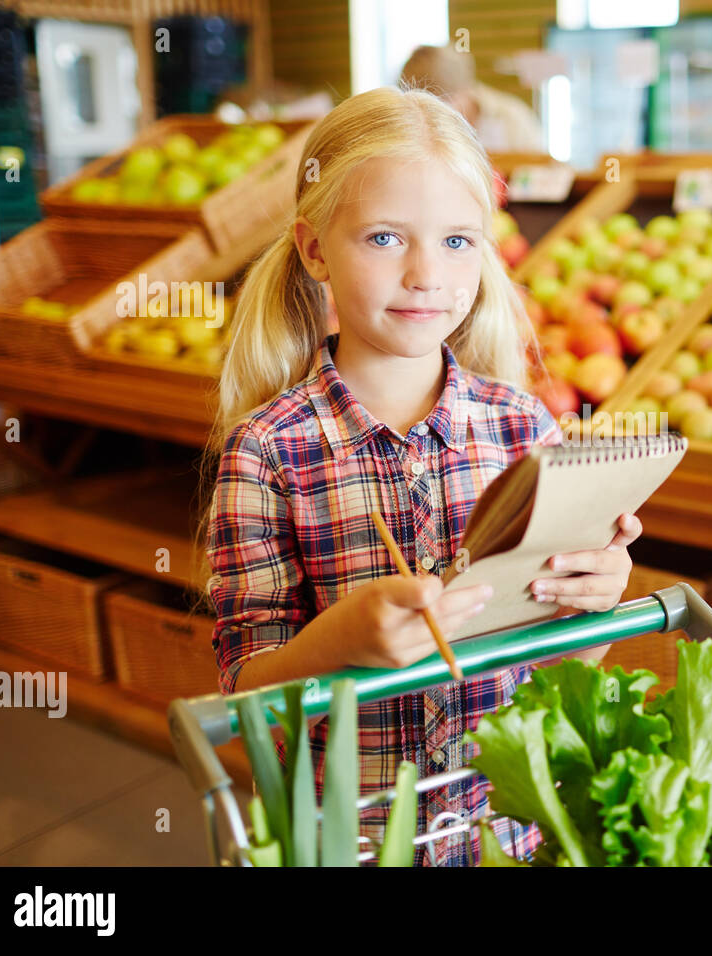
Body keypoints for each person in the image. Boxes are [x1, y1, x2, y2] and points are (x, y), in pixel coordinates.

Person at [201, 87, 640, 866]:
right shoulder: (266, 452)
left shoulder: (524, 431)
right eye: (383, 238)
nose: (425, 274)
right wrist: (336, 644)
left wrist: (595, 605)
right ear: (313, 249)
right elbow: (248, 699)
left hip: (507, 831)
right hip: (352, 842)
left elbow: (559, 672)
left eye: (458, 242)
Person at [400, 44, 546, 153]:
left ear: (465, 88)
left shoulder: (513, 118)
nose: (434, 113)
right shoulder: (412, 125)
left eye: (443, 102)